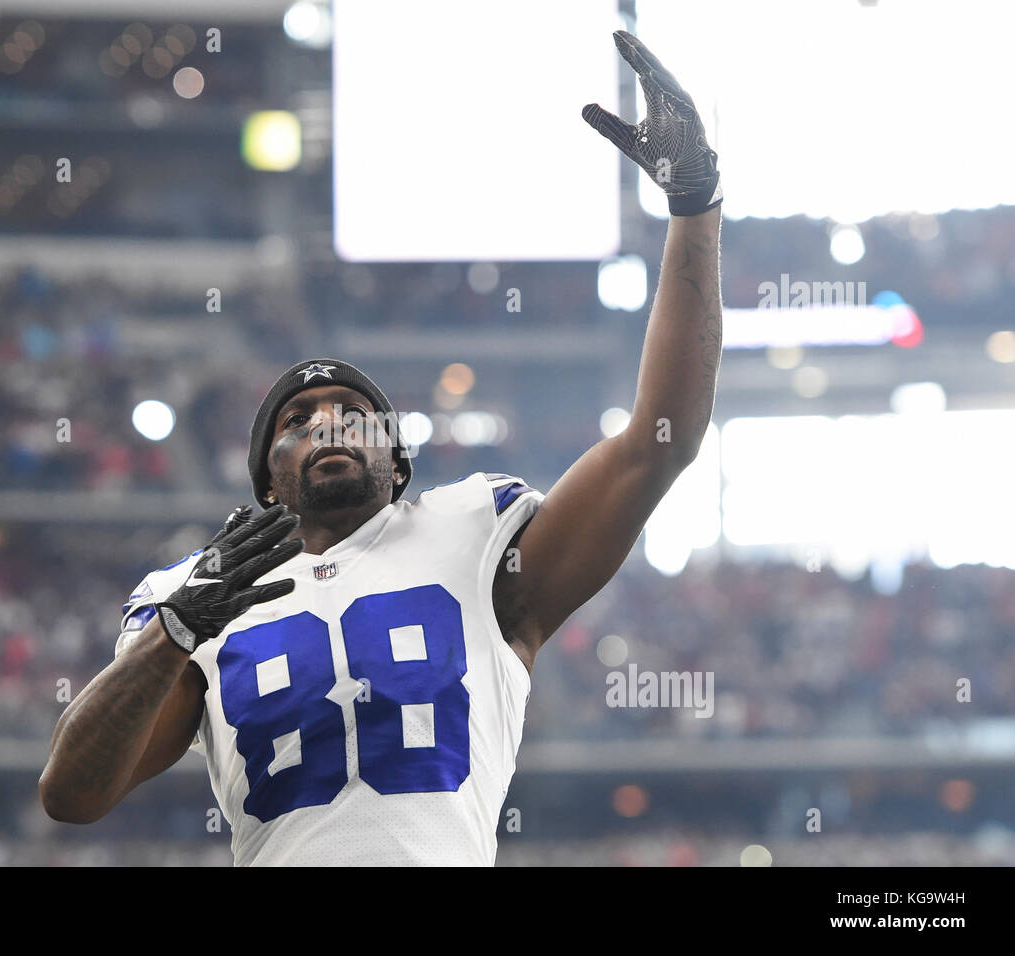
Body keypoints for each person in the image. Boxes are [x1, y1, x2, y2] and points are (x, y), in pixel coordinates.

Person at [39, 31, 724, 865]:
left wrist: (694, 207)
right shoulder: (196, 595)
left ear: (398, 464)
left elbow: (661, 440)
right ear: (267, 483)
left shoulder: (474, 535)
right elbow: (73, 794)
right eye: (296, 421)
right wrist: (173, 634)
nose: (325, 422)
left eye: (351, 411)